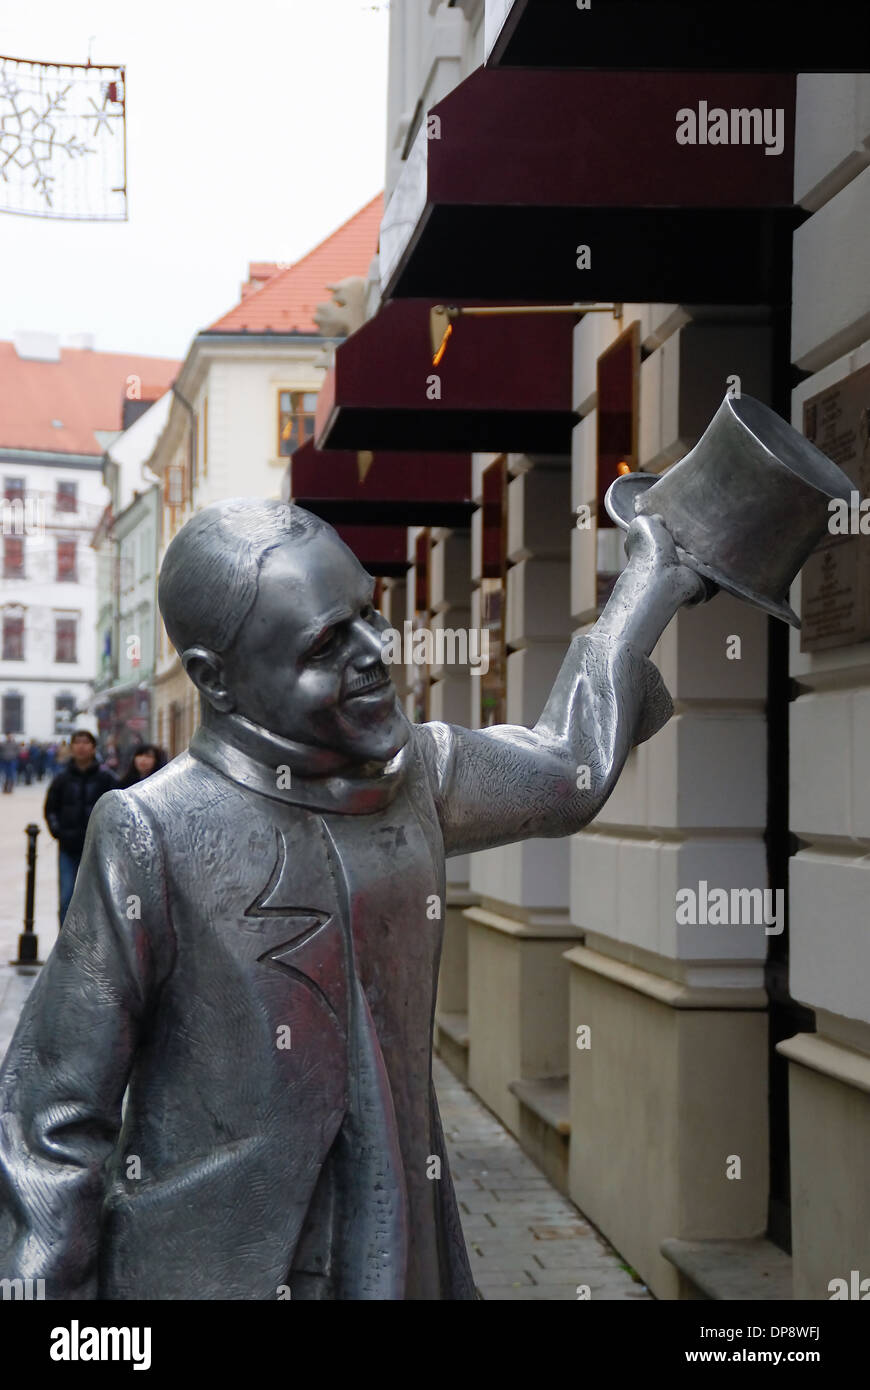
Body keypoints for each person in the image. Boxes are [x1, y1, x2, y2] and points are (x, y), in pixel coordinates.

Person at [0, 499, 707, 1300]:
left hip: (401, 1254)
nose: (376, 652)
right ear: (214, 680)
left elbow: (566, 770)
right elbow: (53, 1114)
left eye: (370, 615)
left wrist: (655, 571)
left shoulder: (420, 778)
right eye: (327, 644)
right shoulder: (150, 831)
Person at [42, 729, 118, 926]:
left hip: (97, 848)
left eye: (85, 743)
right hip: (68, 846)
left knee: (97, 898)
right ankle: (65, 947)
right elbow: (51, 808)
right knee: (66, 897)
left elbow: (117, 809)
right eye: (77, 742)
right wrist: (58, 832)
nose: (81, 747)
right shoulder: (62, 778)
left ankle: (93, 946)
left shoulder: (106, 778)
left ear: (93, 748)